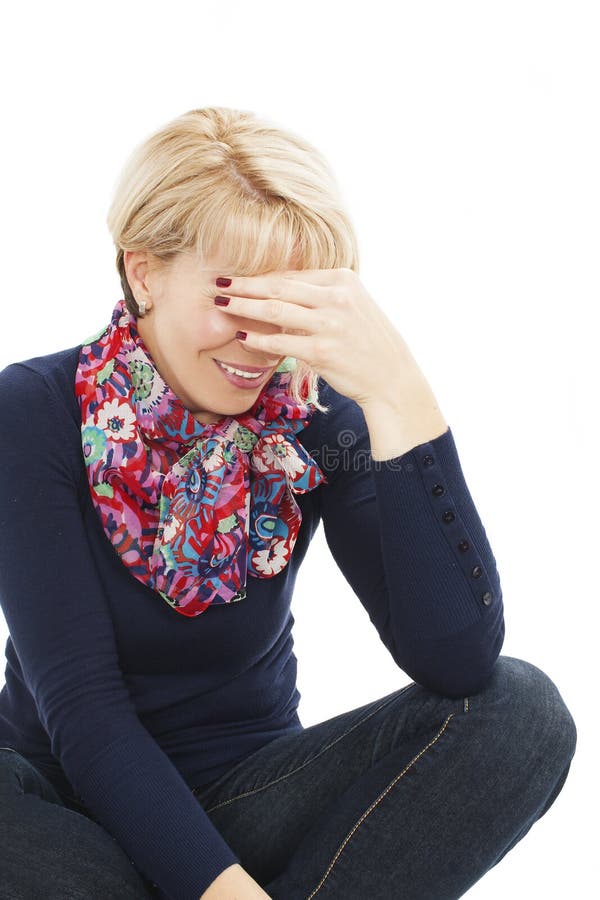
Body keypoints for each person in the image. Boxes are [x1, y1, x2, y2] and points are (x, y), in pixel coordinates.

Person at [0, 106, 576, 900]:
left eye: (290, 302)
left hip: (250, 799)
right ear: (143, 271)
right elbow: (83, 710)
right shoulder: (31, 410)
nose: (261, 342)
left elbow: (457, 662)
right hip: (66, 808)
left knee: (523, 712)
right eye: (236, 297)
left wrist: (397, 393)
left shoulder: (319, 421)